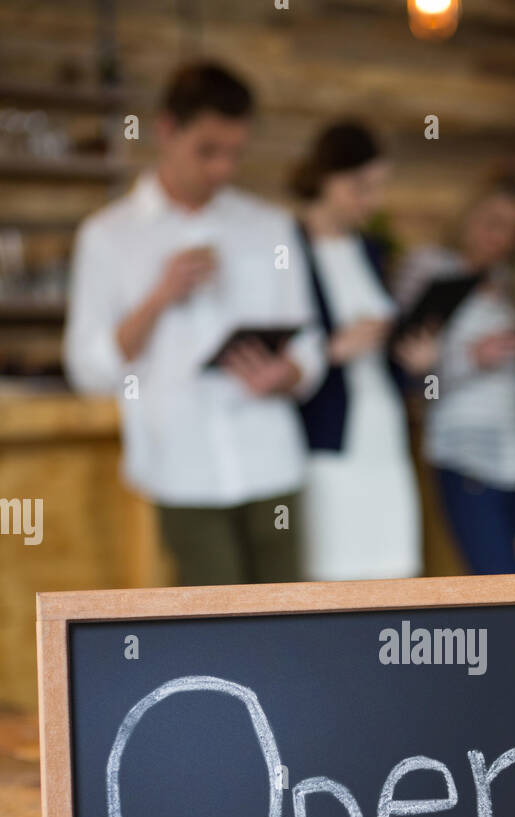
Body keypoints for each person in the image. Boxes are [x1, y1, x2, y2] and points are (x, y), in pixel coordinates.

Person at [65, 62, 323, 586]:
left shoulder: (268, 226)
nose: (223, 169)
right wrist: (159, 297)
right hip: (181, 471)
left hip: (273, 462)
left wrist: (288, 374)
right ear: (166, 131)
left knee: (295, 633)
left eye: (234, 152)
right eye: (208, 150)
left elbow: (311, 343)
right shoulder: (107, 236)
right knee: (215, 645)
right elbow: (87, 369)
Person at [395, 173, 515, 575]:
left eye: (514, 231)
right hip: (466, 454)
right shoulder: (430, 271)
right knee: (497, 582)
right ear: (469, 215)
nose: (499, 239)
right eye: (493, 223)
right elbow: (408, 374)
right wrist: (472, 357)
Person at [291, 121, 422, 581]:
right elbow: (281, 345)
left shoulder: (371, 250)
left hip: (382, 431)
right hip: (325, 438)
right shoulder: (287, 246)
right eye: (361, 187)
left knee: (393, 570)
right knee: (335, 573)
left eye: (378, 187)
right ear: (327, 177)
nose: (372, 200)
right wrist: (334, 349)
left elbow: (388, 348)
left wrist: (414, 362)